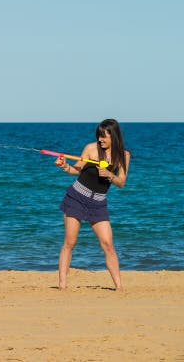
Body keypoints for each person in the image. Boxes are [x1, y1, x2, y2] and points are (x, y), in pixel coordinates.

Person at [56, 119, 130, 291]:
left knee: (108, 244)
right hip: (76, 197)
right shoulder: (91, 148)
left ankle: (119, 287)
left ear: (114, 136)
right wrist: (65, 166)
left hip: (98, 202)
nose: (100, 140)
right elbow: (76, 169)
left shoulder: (124, 155)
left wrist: (110, 175)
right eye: (98, 136)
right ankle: (62, 285)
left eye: (104, 136)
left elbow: (121, 182)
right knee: (70, 242)